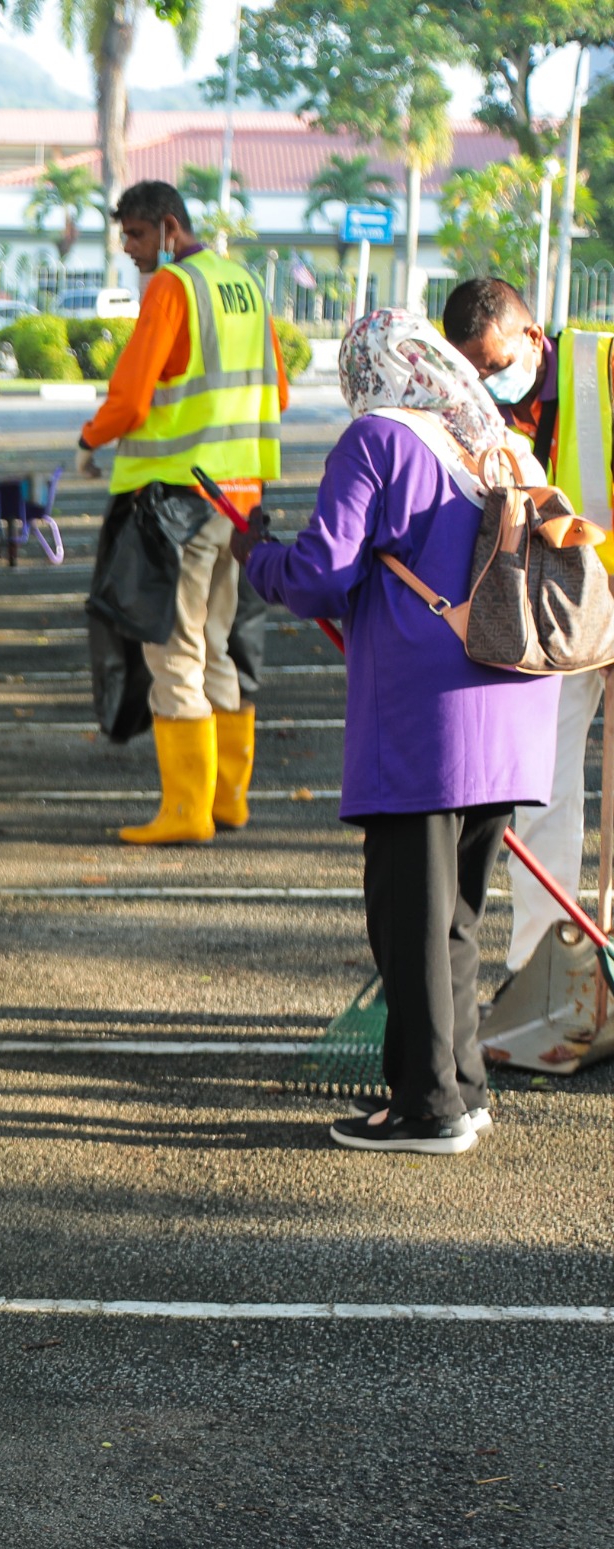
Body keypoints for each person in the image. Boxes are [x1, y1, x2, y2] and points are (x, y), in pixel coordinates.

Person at [241, 311, 557, 1155]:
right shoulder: (496, 438)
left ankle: (427, 1108)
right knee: (453, 915)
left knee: (407, 919)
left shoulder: (378, 439)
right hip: (514, 707)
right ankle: (460, 1085)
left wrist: (256, 557)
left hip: (428, 719)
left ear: (365, 373)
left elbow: (321, 573)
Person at [77, 180, 288, 845]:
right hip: (241, 499)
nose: (133, 252)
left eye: (138, 237)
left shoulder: (172, 289)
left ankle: (185, 812)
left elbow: (132, 398)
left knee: (174, 650)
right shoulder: (243, 283)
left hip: (179, 499)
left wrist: (90, 439)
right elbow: (276, 388)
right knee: (220, 643)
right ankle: (229, 801)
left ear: (169, 228)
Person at [441, 277, 614, 979]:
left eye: (496, 362)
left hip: (598, 599)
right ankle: (544, 974)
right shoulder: (472, 405)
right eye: (475, 371)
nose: (489, 381)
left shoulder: (601, 365)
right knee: (542, 793)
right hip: (560, 622)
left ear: (534, 339)